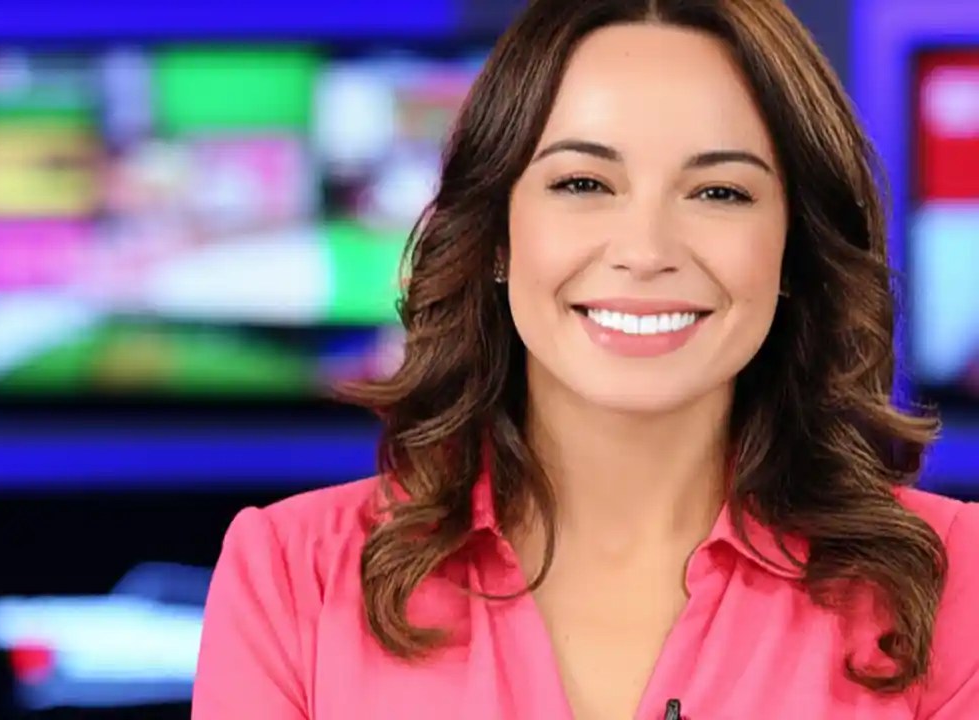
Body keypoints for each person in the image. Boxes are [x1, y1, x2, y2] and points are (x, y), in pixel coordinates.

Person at [192, 0, 979, 717]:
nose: (645, 251)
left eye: (718, 193)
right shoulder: (292, 576)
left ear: (794, 249)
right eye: (582, 182)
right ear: (498, 233)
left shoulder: (954, 585)